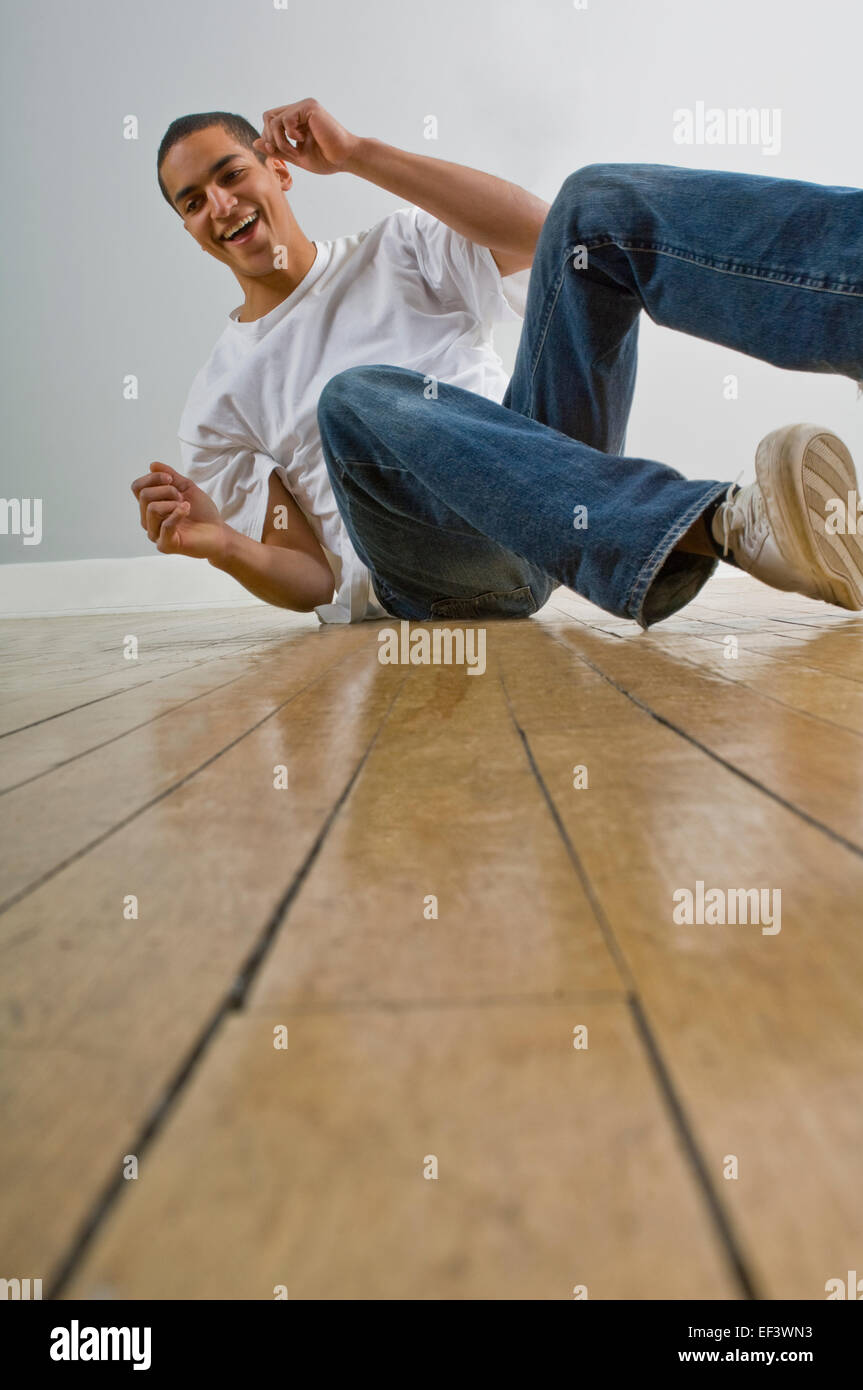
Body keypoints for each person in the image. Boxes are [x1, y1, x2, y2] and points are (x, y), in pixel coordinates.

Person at [133, 100, 863, 629]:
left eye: (231, 174)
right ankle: (725, 524)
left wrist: (358, 154)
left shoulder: (397, 249)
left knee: (592, 206)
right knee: (354, 399)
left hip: (549, 499)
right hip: (443, 570)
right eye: (193, 202)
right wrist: (222, 545)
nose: (220, 205)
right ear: (187, 228)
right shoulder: (218, 397)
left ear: (279, 171)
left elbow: (551, 240)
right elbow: (313, 577)